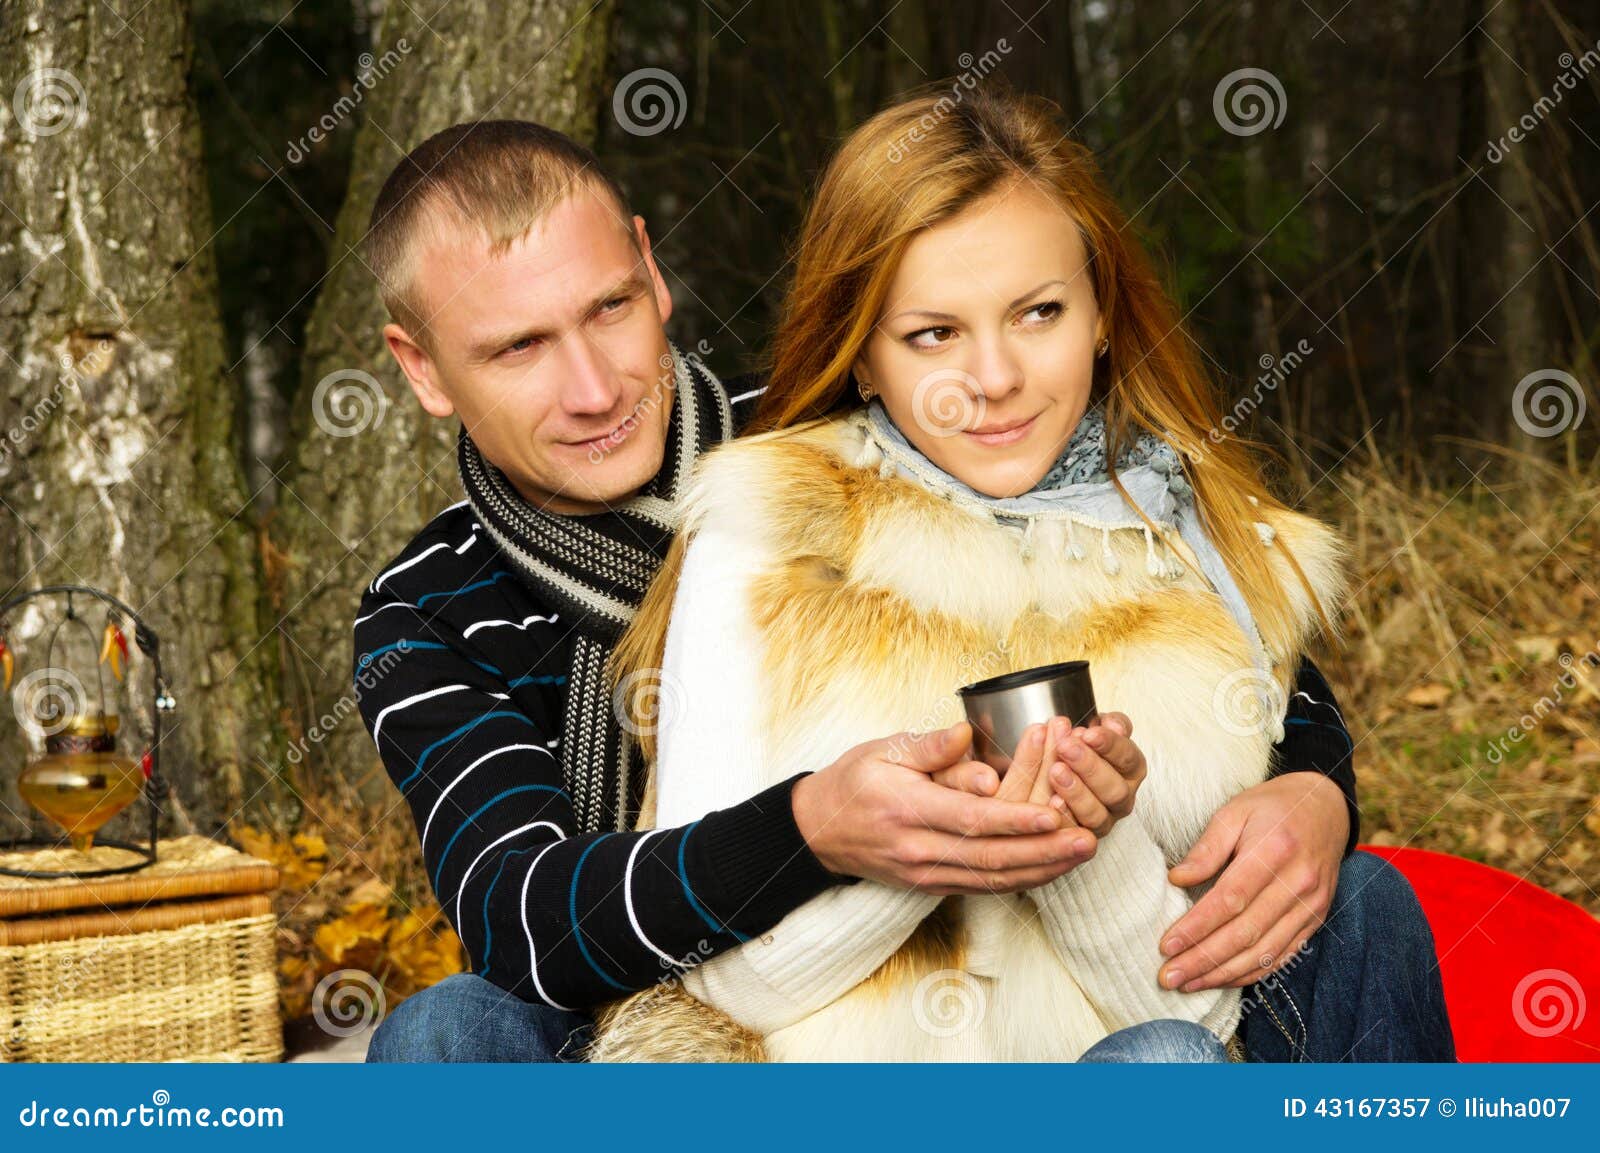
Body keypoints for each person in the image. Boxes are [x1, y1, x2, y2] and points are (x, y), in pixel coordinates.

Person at [351, 116, 1448, 1062]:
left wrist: (1314, 781)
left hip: (1029, 986)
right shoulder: (428, 607)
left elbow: (1204, 616)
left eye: (608, 310)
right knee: (446, 1033)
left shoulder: (841, 425)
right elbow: (522, 917)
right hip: (687, 1004)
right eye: (517, 349)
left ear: (650, 266)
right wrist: (813, 830)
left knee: (1352, 911)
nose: (593, 389)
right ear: (420, 367)